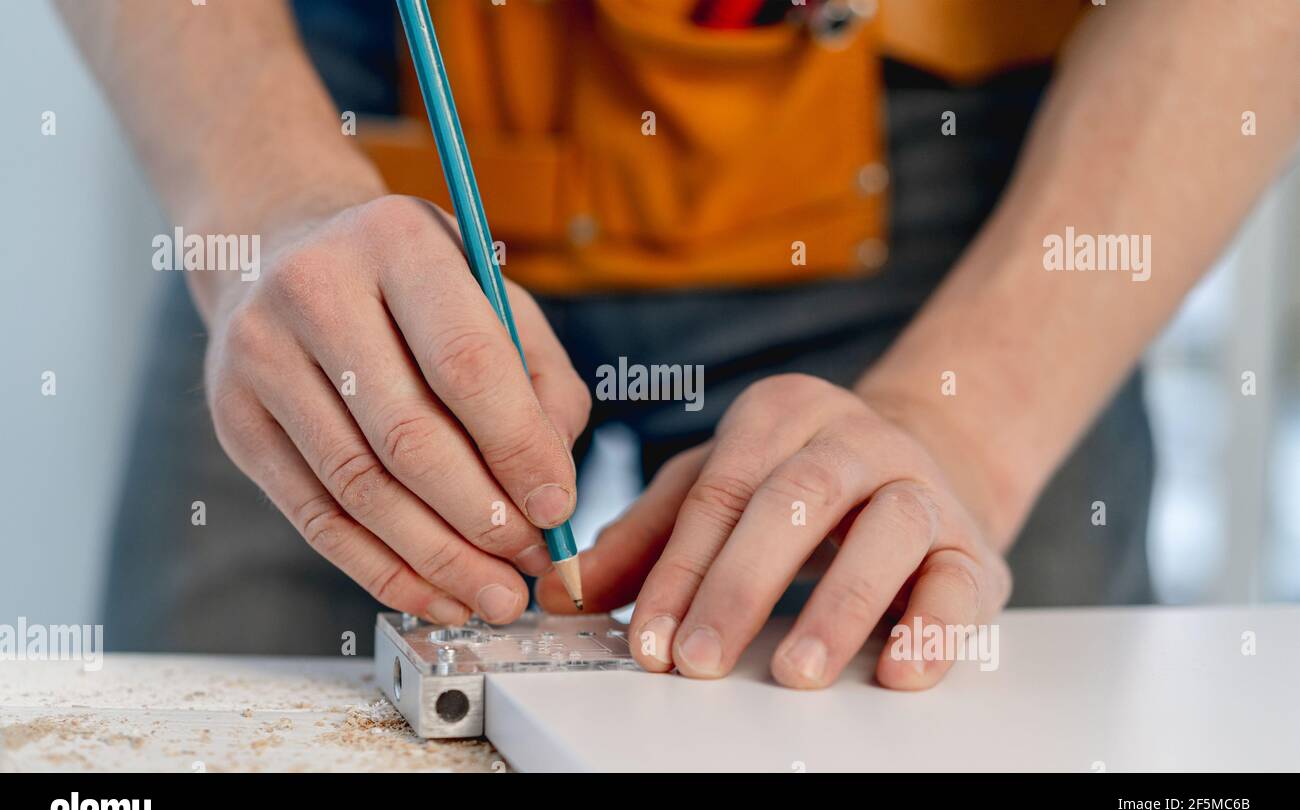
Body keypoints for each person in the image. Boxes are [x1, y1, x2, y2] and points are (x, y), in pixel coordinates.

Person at [59, 0, 1299, 690]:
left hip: (936, 106)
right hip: (332, 74)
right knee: (189, 732)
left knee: (952, 694)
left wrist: (963, 427)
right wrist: (263, 202)